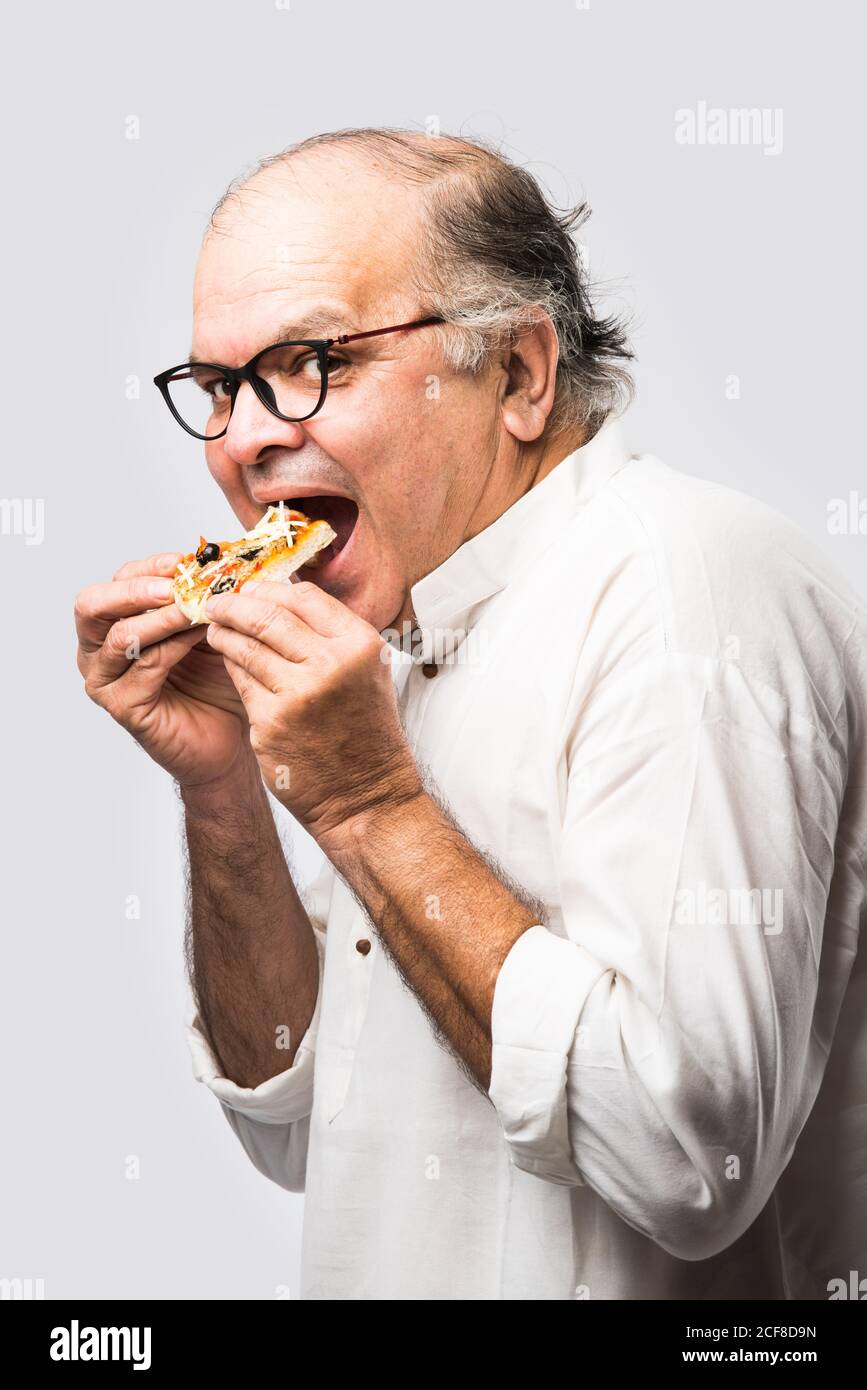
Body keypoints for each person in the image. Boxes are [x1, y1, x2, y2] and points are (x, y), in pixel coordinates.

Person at [75, 127, 867, 1300]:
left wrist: (368, 801)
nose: (243, 438)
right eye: (219, 387)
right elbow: (291, 1116)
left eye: (310, 361)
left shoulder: (687, 590)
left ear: (519, 373)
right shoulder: (395, 617)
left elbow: (694, 1166)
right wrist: (224, 789)